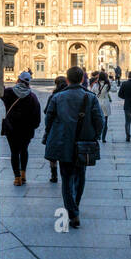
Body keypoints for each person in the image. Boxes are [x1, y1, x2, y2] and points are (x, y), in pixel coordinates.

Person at [42, 66, 105, 228]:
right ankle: (74, 207)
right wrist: (95, 136)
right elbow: (100, 120)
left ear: (68, 79)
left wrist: (49, 136)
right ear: (82, 79)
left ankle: (73, 212)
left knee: (66, 178)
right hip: (84, 144)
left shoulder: (58, 97)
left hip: (63, 144)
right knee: (80, 176)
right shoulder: (90, 97)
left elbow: (48, 119)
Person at [3, 70, 42, 187]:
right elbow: (37, 117)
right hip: (27, 130)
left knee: (14, 152)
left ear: (18, 80)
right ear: (28, 83)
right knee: (24, 150)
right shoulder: (32, 97)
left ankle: (17, 178)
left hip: (11, 129)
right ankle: (23, 174)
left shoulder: (9, 93)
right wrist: (33, 127)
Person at [45, 75, 68, 181]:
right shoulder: (69, 95)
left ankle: (54, 175)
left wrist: (47, 128)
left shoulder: (53, 96)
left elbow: (47, 112)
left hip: (55, 127)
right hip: (68, 127)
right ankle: (65, 174)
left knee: (53, 153)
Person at [94, 71, 112, 142]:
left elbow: (92, 92)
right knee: (105, 121)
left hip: (98, 103)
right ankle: (104, 138)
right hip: (105, 103)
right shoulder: (108, 85)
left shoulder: (96, 85)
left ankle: (98, 135)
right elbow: (111, 91)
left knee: (97, 120)